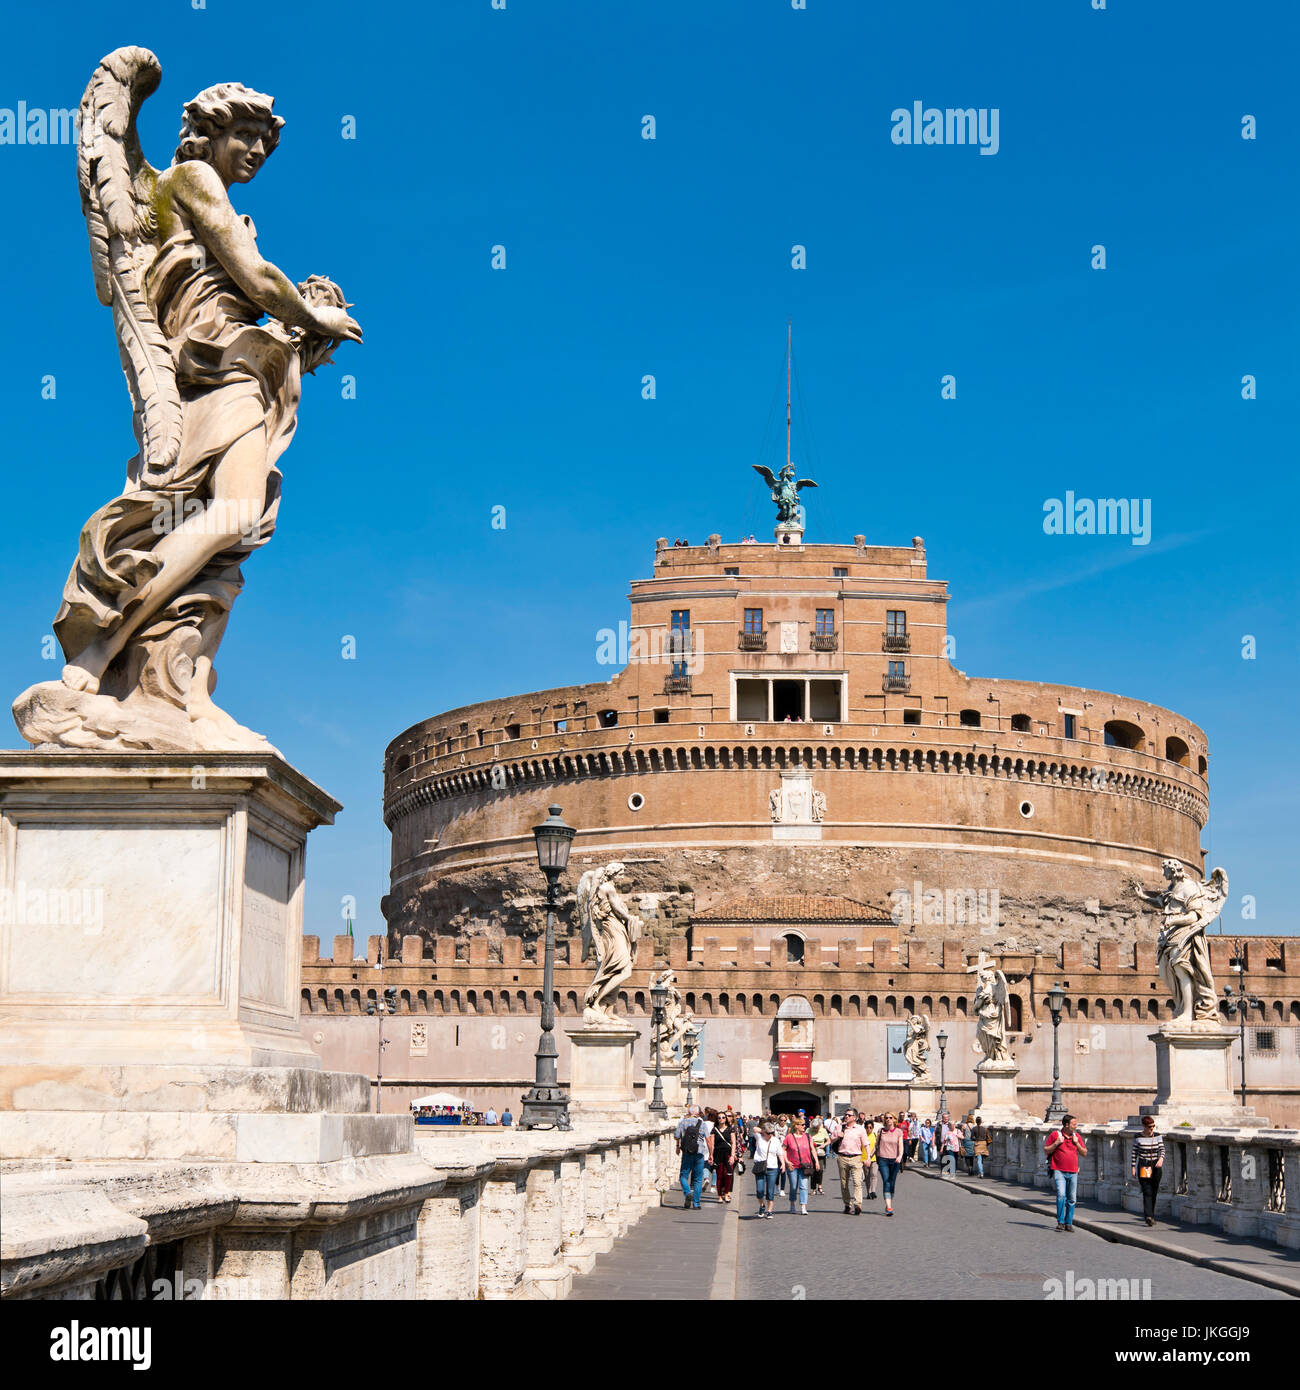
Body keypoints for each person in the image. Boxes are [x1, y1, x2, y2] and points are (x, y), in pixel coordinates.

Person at [1045, 1113, 1087, 1232]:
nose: (1076, 1126)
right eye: (1074, 1124)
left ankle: (1069, 1223)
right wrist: (1056, 1143)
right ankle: (1061, 1221)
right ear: (1067, 1125)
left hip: (1073, 1171)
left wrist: (1077, 1143)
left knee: (1072, 1198)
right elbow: (1046, 1150)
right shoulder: (1056, 1135)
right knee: (1061, 1195)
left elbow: (1084, 1153)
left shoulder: (1077, 1136)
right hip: (1058, 1170)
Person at [675, 1104, 714, 1210]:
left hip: (687, 1152)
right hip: (699, 1153)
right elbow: (709, 1140)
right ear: (697, 1113)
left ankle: (687, 1193)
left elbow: (676, 1136)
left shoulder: (683, 1122)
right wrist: (711, 1154)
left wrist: (677, 1146)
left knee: (683, 1176)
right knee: (697, 1179)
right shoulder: (702, 1124)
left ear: (689, 1113)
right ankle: (696, 1204)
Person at [783, 1114, 820, 1215]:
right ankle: (792, 1205)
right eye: (803, 1125)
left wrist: (816, 1161)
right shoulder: (789, 1137)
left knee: (804, 1186)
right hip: (792, 1166)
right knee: (793, 1186)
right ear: (796, 1126)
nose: (805, 1126)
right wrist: (786, 1161)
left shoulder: (808, 1137)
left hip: (805, 1166)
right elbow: (783, 1150)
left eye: (805, 1125)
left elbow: (812, 1149)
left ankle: (803, 1207)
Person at [1130, 1115, 1164, 1227]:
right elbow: (1134, 1153)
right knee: (1147, 1191)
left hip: (1155, 1165)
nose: (1151, 1129)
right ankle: (1148, 1216)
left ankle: (1151, 1215)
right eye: (1149, 1127)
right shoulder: (1138, 1137)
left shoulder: (1158, 1136)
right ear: (1144, 1126)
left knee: (1154, 1191)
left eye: (1153, 1126)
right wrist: (1133, 1167)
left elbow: (1162, 1149)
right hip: (1144, 1165)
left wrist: (1161, 1159)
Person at [835, 1109, 868, 1214]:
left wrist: (868, 1157)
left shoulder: (860, 1129)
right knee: (844, 1183)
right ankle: (847, 1205)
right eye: (845, 1115)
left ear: (855, 1117)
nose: (846, 1116)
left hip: (856, 1157)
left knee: (857, 1182)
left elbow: (866, 1144)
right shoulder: (840, 1127)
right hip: (842, 1157)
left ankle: (858, 1204)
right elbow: (831, 1139)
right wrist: (837, 1136)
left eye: (849, 1115)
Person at [751, 1122, 785, 1219]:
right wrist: (763, 1132)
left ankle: (769, 1211)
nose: (770, 1135)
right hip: (760, 1166)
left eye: (772, 1132)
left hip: (772, 1167)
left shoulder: (775, 1140)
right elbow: (754, 1128)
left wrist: (782, 1164)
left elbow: (780, 1153)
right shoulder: (759, 1137)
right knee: (759, 1190)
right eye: (768, 1133)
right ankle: (762, 1206)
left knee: (770, 1191)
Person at [876, 1113, 905, 1216]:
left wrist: (899, 1156)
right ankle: (889, 1206)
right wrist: (869, 1156)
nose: (888, 1119)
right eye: (886, 1118)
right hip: (883, 1159)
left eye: (890, 1118)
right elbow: (876, 1145)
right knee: (886, 1181)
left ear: (894, 1120)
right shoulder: (881, 1131)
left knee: (892, 1182)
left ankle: (889, 1201)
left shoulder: (898, 1132)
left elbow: (901, 1146)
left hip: (895, 1160)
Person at [711, 1108, 737, 1206]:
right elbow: (712, 1144)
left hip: (728, 1153)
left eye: (723, 1117)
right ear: (717, 1119)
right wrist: (711, 1155)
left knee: (728, 1174)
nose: (721, 1119)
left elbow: (733, 1143)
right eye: (719, 1118)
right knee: (719, 1175)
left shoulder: (730, 1129)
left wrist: (732, 1156)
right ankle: (719, 1196)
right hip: (717, 1154)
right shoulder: (714, 1130)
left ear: (726, 1119)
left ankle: (726, 1193)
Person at [809, 1113, 830, 1194]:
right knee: (812, 1170)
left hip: (820, 1151)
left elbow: (828, 1140)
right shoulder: (808, 1130)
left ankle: (820, 1186)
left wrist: (824, 1145)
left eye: (816, 1128)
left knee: (820, 1169)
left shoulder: (823, 1131)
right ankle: (813, 1188)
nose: (815, 1129)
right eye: (814, 1128)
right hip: (811, 1150)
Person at [862, 1118, 878, 1200]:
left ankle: (873, 1191)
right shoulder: (862, 1136)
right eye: (867, 1127)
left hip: (873, 1159)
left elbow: (876, 1146)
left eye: (870, 1127)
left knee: (874, 1174)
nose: (869, 1129)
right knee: (867, 1177)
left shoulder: (874, 1135)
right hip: (864, 1159)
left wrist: (871, 1155)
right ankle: (869, 1192)